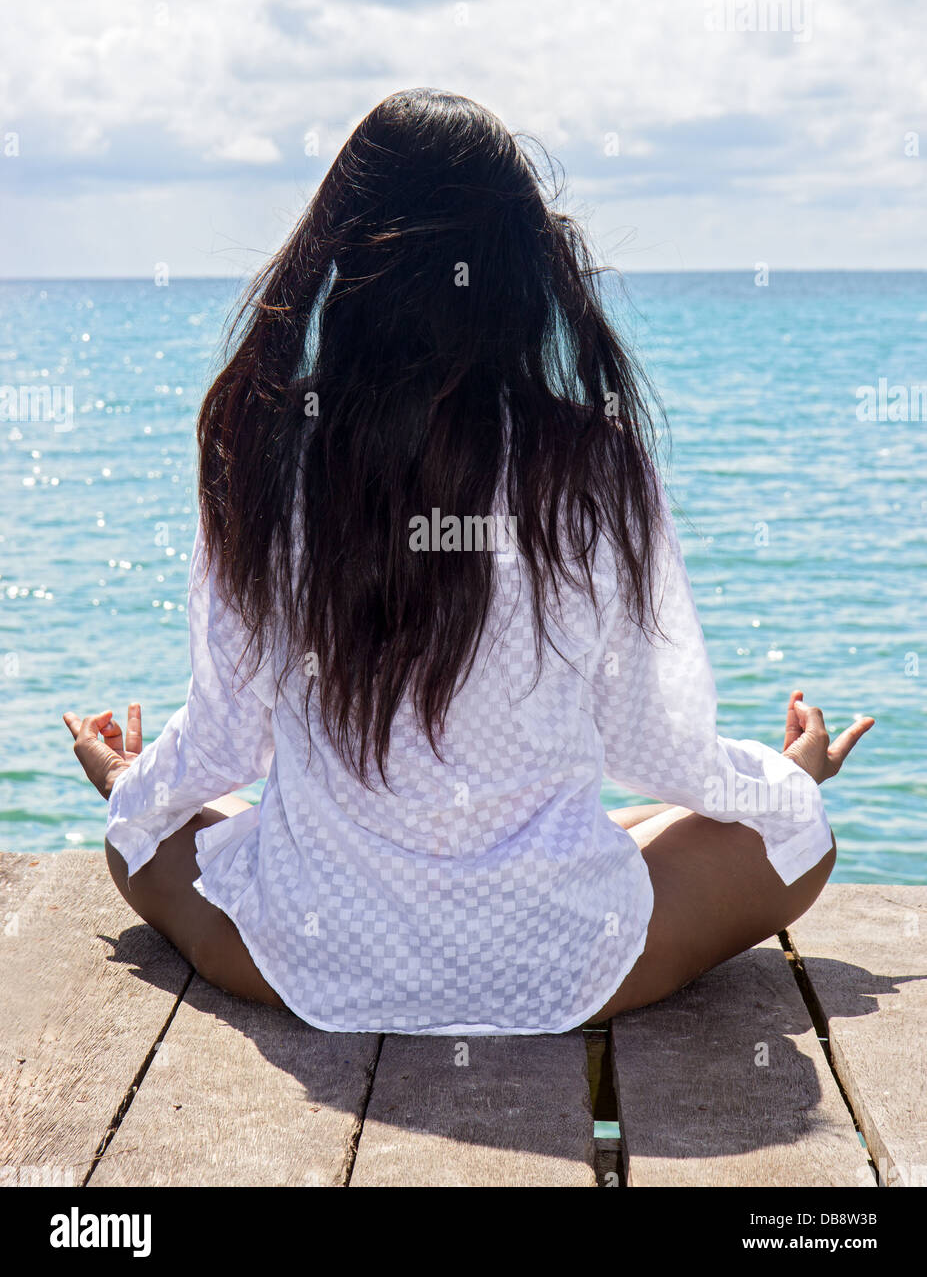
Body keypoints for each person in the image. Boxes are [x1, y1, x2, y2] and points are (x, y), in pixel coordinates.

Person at [63, 88, 873, 1034]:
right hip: (562, 961)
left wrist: (129, 786)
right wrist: (787, 780)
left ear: (339, 256)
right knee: (795, 843)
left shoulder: (264, 444)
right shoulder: (592, 462)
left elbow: (226, 742)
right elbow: (651, 745)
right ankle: (543, 865)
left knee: (139, 840)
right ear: (519, 271)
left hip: (307, 955)